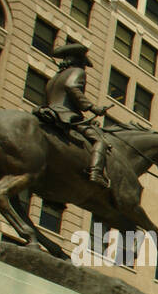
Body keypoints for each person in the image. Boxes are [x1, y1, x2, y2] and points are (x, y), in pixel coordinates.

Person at [37, 42, 111, 186]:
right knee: (100, 141)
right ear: (79, 60)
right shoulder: (78, 72)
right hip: (66, 116)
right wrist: (93, 108)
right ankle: (96, 173)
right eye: (84, 62)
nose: (84, 66)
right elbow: (72, 87)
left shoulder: (55, 78)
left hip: (49, 112)